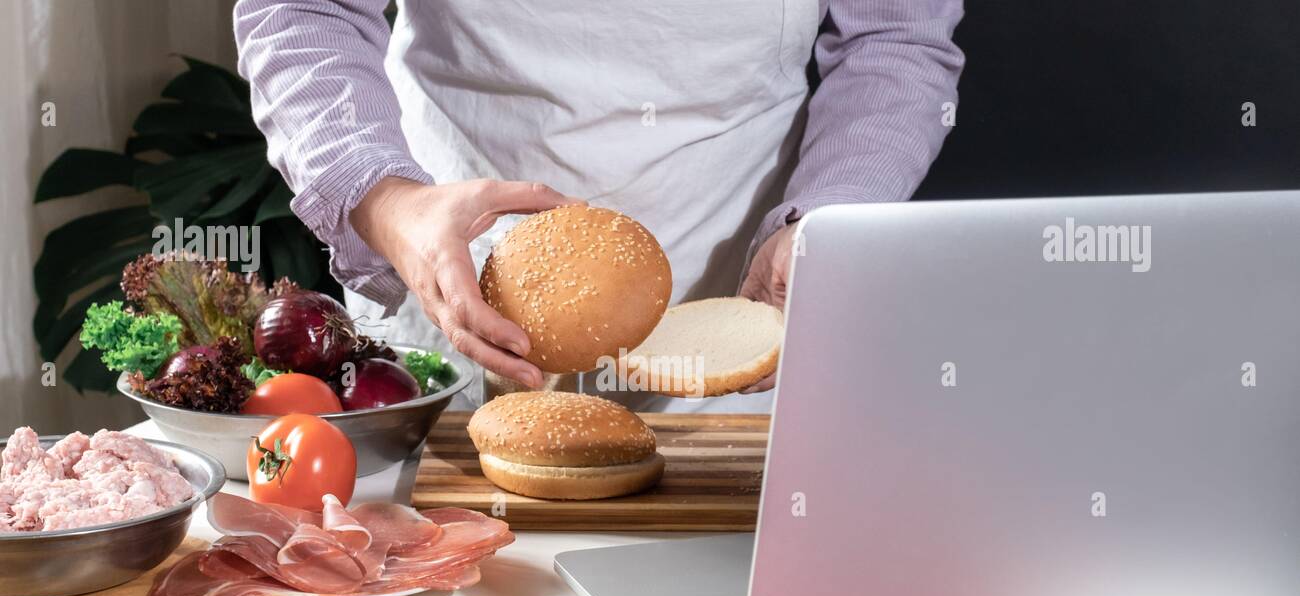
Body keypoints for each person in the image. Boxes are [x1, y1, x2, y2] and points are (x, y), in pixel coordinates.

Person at [234, 0, 964, 410]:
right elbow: (303, 8)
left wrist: (827, 220)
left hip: (740, 327)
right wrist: (390, 203)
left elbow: (893, 39)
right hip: (448, 299)